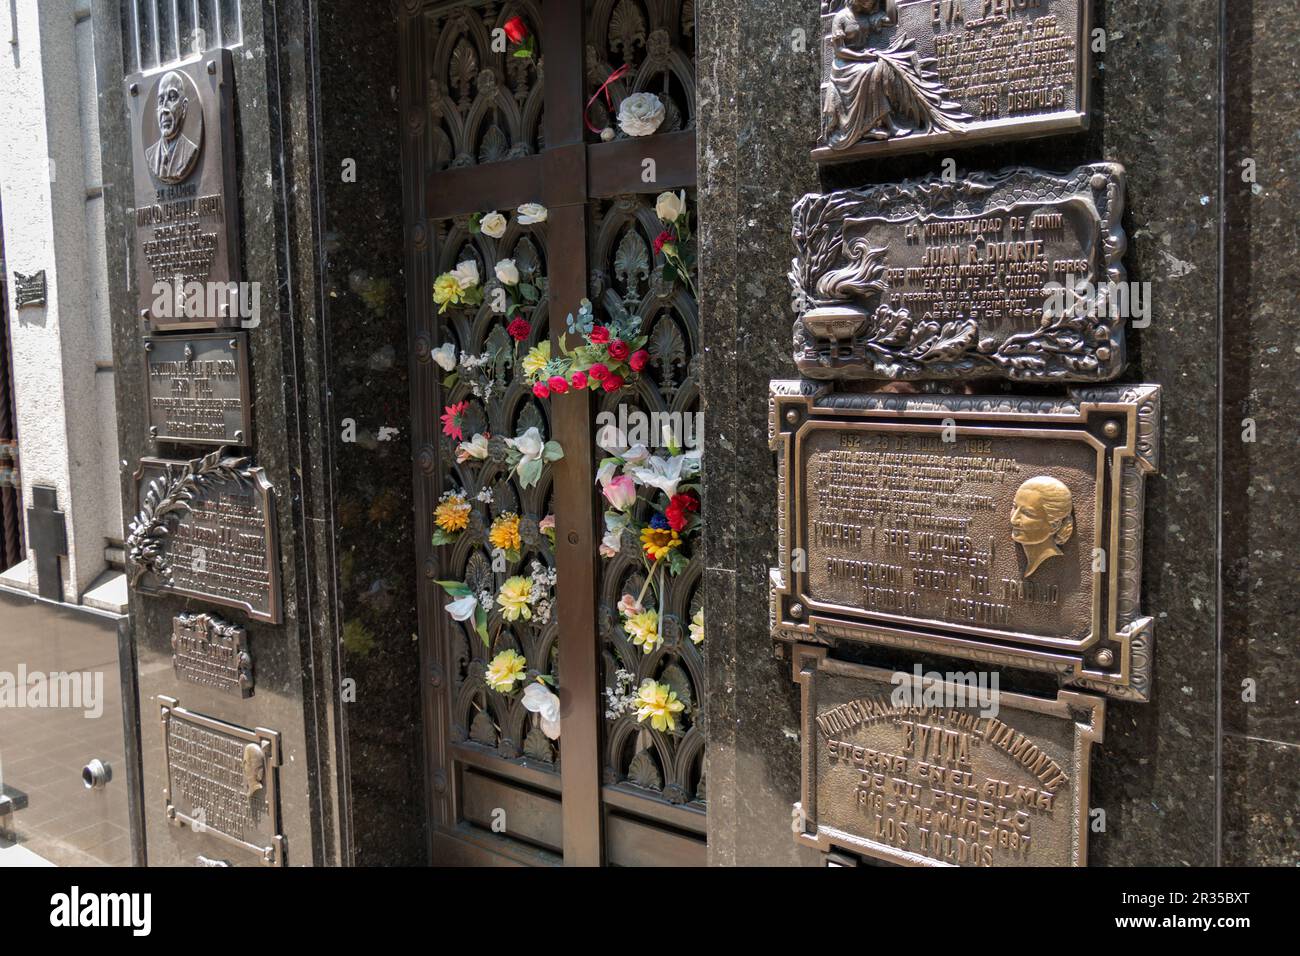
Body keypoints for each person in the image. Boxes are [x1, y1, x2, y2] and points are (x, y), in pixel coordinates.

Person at [1010, 476, 1075, 578]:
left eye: (1027, 513)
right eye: (1014, 507)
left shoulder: (1054, 567)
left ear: (1054, 526)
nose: (1013, 520)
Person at [145, 71, 201, 184]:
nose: (164, 109)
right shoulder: (150, 155)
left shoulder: (190, 151)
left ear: (184, 107)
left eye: (171, 98)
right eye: (161, 101)